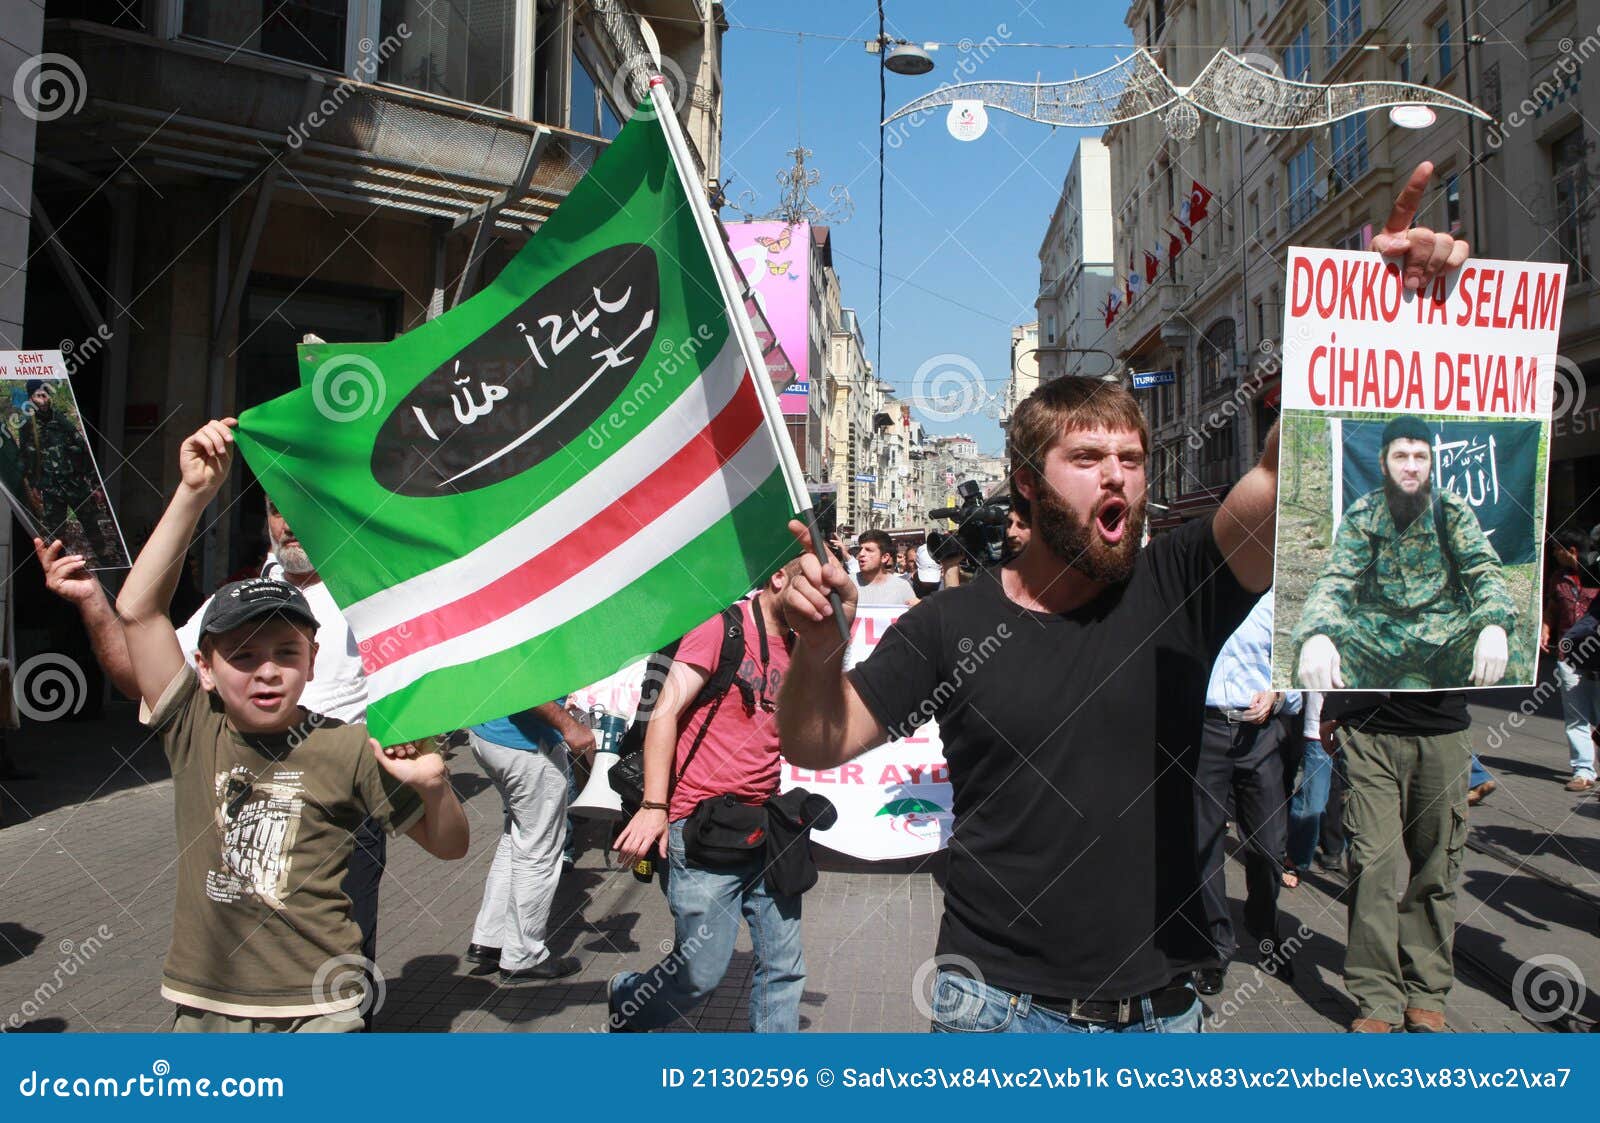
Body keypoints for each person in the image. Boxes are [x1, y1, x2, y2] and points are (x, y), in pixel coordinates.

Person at [776, 163, 1468, 1033]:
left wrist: (1376, 315)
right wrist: (817, 651)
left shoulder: (1179, 584)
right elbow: (815, 737)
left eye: (1131, 460)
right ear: (1027, 485)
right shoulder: (950, 625)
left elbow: (1286, 466)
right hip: (995, 1012)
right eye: (1087, 459)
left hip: (1163, 1013)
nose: (1118, 476)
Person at [112, 417, 467, 1031]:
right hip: (207, 1012)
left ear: (312, 660)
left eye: (284, 653)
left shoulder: (349, 748)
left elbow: (452, 845)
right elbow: (138, 611)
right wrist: (194, 492)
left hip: (320, 1014)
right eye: (243, 656)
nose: (267, 672)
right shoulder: (195, 731)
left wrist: (435, 787)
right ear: (204, 668)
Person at [35, 495, 397, 980]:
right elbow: (142, 677)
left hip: (340, 811)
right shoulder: (236, 601)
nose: (288, 523)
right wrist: (92, 601)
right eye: (276, 509)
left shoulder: (375, 594)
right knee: (241, 961)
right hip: (241, 809)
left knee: (338, 966)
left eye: (301, 506)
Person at [608, 561, 805, 1032]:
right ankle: (628, 997)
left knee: (784, 967)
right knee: (700, 974)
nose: (825, 598)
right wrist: (655, 806)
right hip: (701, 827)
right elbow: (664, 712)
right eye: (815, 584)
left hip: (769, 826)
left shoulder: (801, 647)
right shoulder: (721, 627)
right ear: (779, 577)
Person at [1295, 415, 1517, 690]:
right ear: (1383, 464)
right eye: (1400, 456)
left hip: (1446, 635)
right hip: (1377, 640)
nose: (1411, 467)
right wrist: (1318, 633)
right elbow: (1336, 579)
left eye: (1420, 457)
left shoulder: (1451, 510)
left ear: (1431, 463)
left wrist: (1493, 624)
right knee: (1315, 662)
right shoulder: (1362, 515)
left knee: (1509, 654)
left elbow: (1483, 568)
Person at [1324, 691, 1471, 1033]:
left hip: (1441, 730)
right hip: (1365, 730)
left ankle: (1426, 991)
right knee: (1370, 864)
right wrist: (1328, 707)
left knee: (1436, 867)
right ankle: (1376, 996)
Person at [1195, 590, 1301, 995]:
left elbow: (1296, 674)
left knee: (1269, 846)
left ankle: (1263, 925)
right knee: (1205, 843)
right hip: (1204, 729)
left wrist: (1278, 695)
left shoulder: (1275, 602)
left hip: (1259, 735)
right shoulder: (1199, 594)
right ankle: (1214, 948)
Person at [465, 702, 594, 982]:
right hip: (524, 744)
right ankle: (523, 956)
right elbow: (524, 688)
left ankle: (490, 940)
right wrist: (569, 725)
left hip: (488, 733)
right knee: (539, 850)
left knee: (517, 836)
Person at [16, 380, 117, 563]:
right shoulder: (27, 427)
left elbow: (84, 451)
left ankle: (104, 557)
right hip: (51, 488)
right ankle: (59, 564)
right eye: (38, 395)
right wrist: (33, 485)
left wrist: (95, 484)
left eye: (45, 394)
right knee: (55, 532)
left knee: (90, 522)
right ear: (31, 398)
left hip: (74, 483)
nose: (43, 398)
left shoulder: (62, 420)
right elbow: (25, 459)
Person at [1544, 529, 1599, 792]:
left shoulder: (1595, 575)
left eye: (1557, 549)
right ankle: (1583, 771)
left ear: (1572, 550)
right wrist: (1545, 629)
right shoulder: (1558, 578)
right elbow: (1552, 608)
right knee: (1576, 716)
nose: (1555, 554)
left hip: (1596, 657)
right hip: (1568, 656)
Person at [1286, 690, 1334, 877]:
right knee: (1312, 800)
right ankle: (1295, 859)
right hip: (1320, 731)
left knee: (1353, 802)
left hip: (1368, 734)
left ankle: (1336, 850)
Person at [853, 529, 918, 607]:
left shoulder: (902, 587)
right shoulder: (847, 583)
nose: (861, 554)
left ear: (884, 557)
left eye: (869, 550)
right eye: (860, 549)